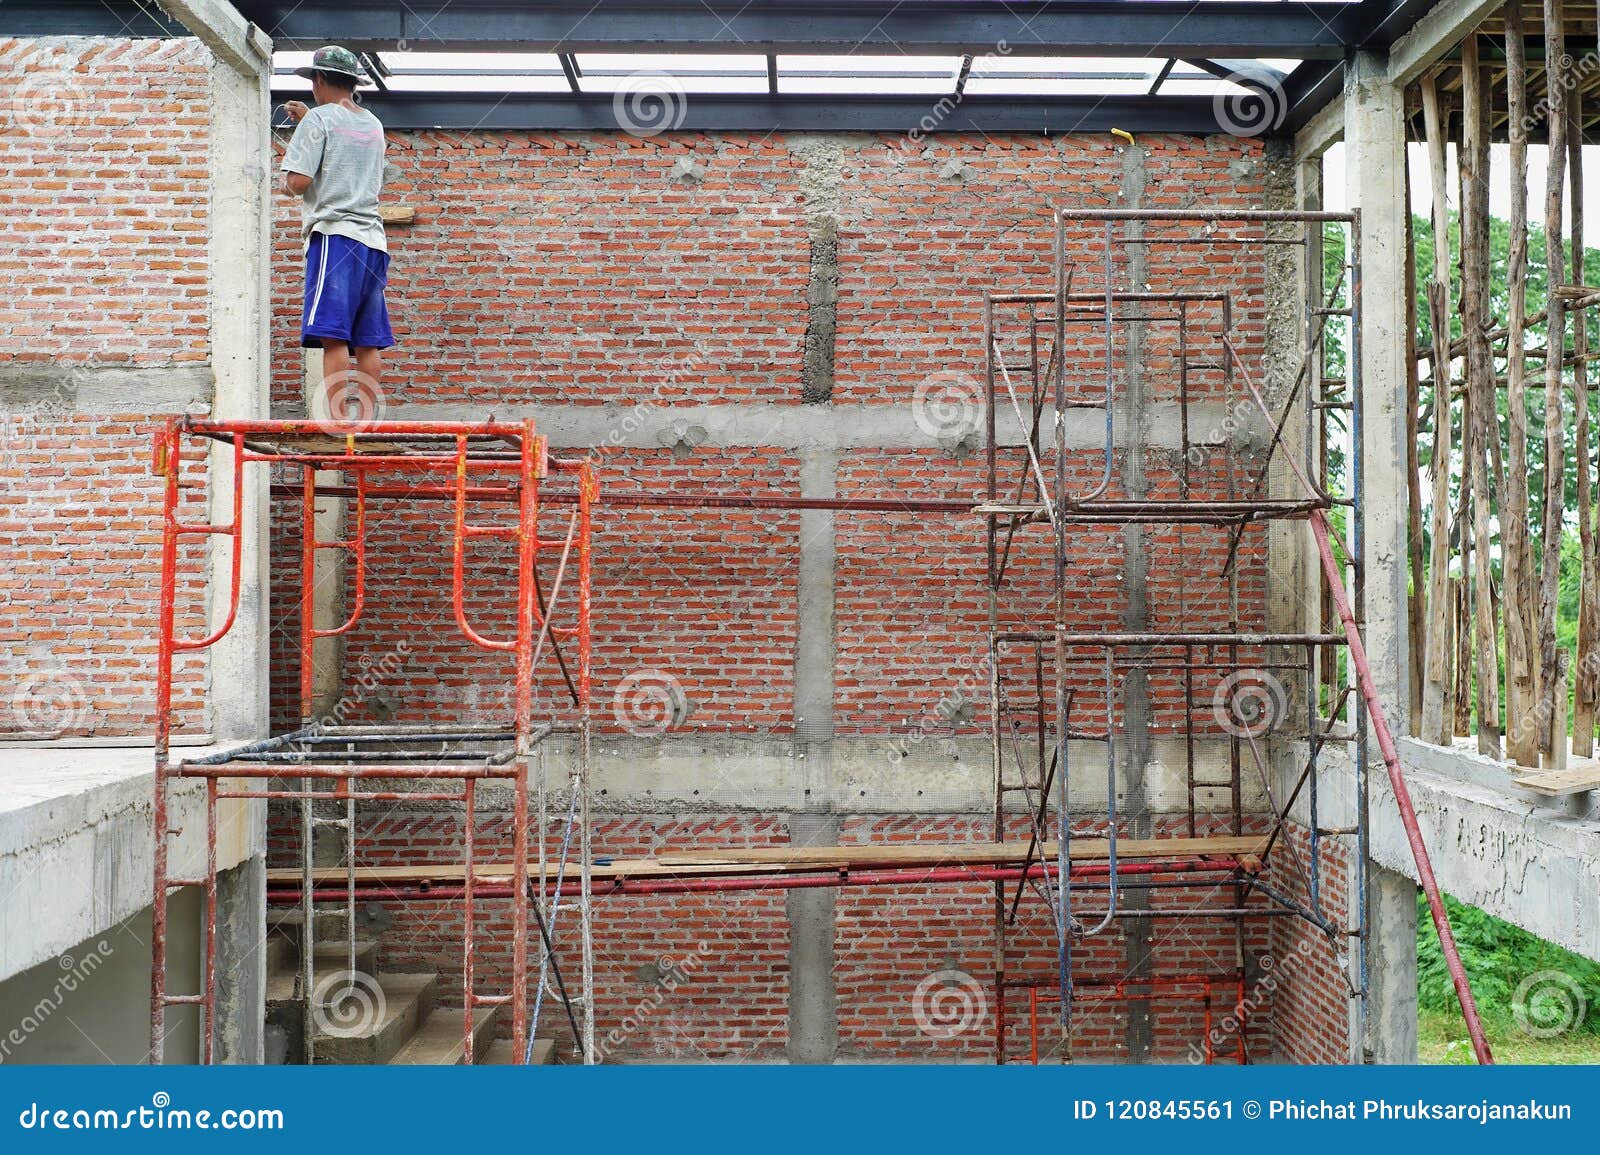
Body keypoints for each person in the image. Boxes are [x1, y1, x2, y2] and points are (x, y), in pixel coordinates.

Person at [280, 45, 392, 410]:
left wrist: (287, 170)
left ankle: (338, 423)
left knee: (333, 337)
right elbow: (345, 148)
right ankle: (365, 422)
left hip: (335, 236)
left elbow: (297, 182)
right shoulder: (371, 123)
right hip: (374, 242)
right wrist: (309, 122)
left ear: (320, 79)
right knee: (366, 341)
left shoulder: (320, 120)